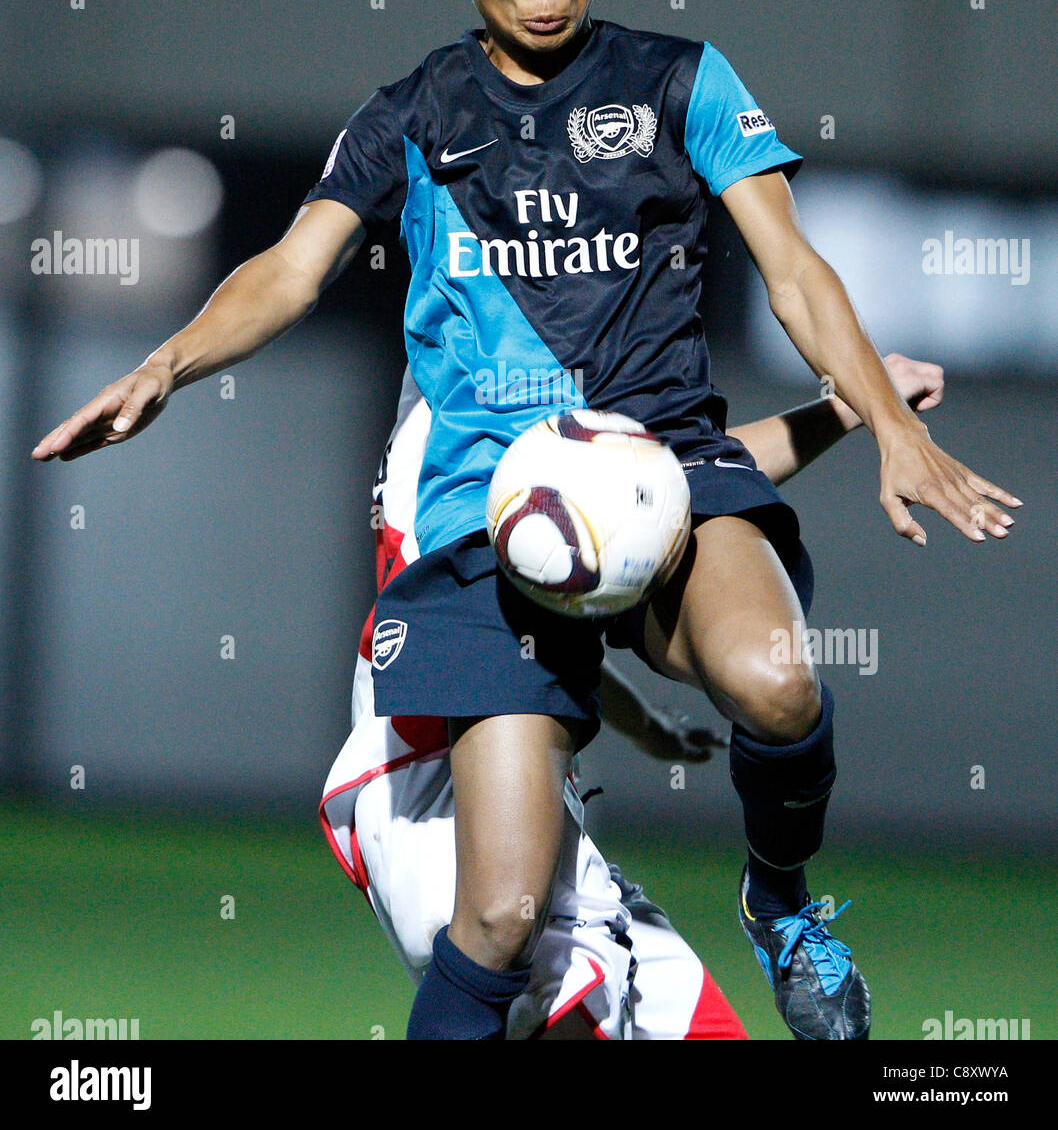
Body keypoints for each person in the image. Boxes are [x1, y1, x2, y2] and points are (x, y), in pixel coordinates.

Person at [32, 0, 1020, 1043]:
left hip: (665, 467)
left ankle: (780, 907)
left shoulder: (677, 81)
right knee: (498, 914)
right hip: (482, 525)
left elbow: (797, 272)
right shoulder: (411, 114)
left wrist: (881, 425)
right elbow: (288, 270)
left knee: (772, 683)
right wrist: (166, 365)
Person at [326, 354, 948, 1039]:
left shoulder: (477, 417)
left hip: (516, 803)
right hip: (435, 805)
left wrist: (641, 719)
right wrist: (852, 407)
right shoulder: (465, 421)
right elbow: (646, 493)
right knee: (503, 933)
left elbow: (559, 594)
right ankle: (775, 907)